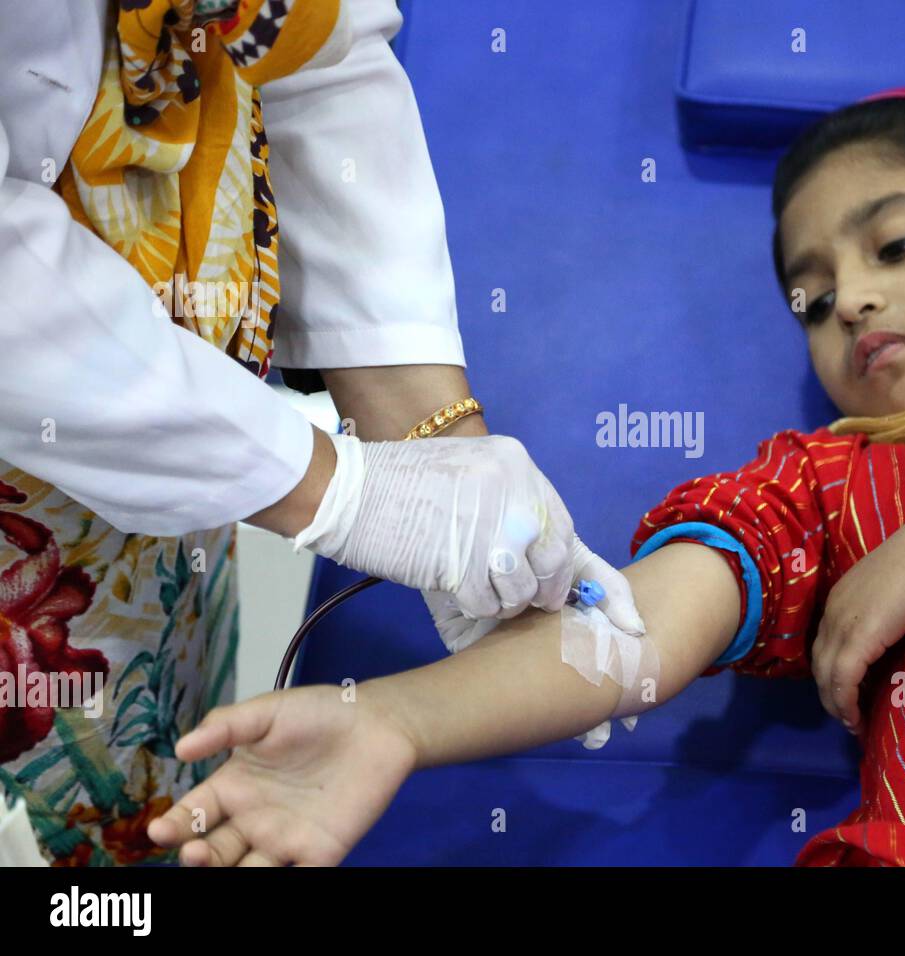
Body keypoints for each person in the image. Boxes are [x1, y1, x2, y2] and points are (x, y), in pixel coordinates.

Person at [147, 89, 905, 866]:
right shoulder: (831, 482)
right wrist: (389, 719)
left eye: (895, 245)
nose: (846, 298)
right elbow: (632, 627)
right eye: (810, 294)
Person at [0, 0, 640, 866]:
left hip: (157, 500)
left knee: (152, 768)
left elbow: (311, 52)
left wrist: (430, 440)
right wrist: (347, 493)